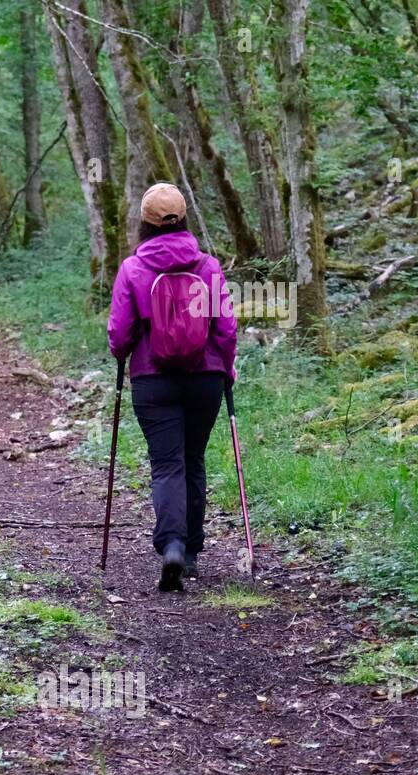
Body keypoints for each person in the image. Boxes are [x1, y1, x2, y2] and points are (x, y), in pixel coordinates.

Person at [107, 183, 237, 592]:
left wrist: (123, 353)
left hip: (152, 380)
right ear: (184, 219)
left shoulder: (132, 269)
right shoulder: (208, 267)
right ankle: (193, 552)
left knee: (167, 463)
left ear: (143, 224)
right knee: (194, 460)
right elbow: (226, 328)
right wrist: (225, 368)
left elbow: (119, 333)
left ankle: (173, 545)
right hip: (205, 379)